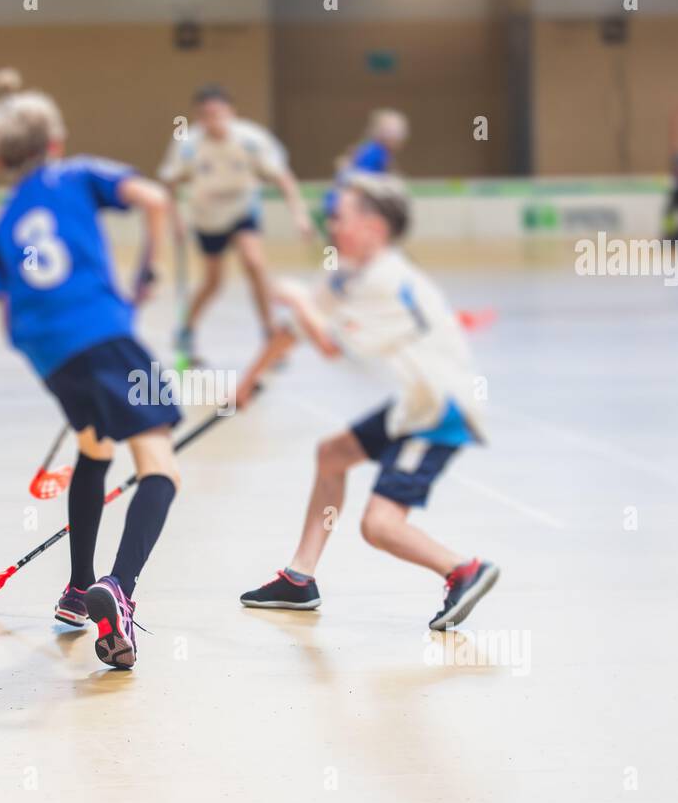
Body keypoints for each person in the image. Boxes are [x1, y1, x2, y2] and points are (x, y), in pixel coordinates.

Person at [0, 89, 179, 670]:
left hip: (55, 359)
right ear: (55, 142)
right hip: (107, 338)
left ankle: (75, 589)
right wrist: (148, 273)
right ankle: (119, 587)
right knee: (160, 461)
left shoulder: (1, 225)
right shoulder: (79, 174)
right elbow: (154, 199)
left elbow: (7, 316)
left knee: (94, 444)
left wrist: (55, 358)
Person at [234, 172, 499, 630]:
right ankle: (299, 579)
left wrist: (297, 301)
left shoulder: (385, 280)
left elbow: (334, 347)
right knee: (332, 455)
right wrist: (246, 383)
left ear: (374, 229)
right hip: (415, 401)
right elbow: (295, 331)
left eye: (341, 217)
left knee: (379, 527)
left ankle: (464, 570)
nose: (331, 225)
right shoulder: (346, 275)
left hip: (440, 410)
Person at [158, 84, 313, 365]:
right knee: (213, 281)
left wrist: (299, 215)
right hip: (206, 214)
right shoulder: (187, 144)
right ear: (198, 117)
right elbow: (169, 182)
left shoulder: (251, 138)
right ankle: (186, 330)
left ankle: (270, 335)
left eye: (219, 113)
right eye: (206, 114)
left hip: (242, 207)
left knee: (254, 263)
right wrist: (175, 219)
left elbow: (283, 178)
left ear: (231, 112)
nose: (213, 120)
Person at [319, 109, 409, 232]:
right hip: (340, 205)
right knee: (334, 248)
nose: (400, 137)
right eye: (396, 132)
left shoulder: (375, 150)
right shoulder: (375, 152)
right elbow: (353, 179)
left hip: (343, 205)